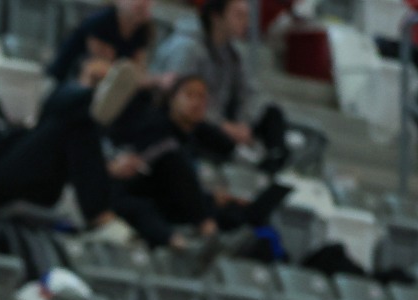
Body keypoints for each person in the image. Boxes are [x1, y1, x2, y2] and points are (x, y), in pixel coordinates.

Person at [0, 33, 140, 236]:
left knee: (76, 127)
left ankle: (90, 100)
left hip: (25, 178)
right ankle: (89, 98)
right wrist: (22, 135)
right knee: (64, 121)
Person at [107, 74, 289, 250]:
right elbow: (153, 169)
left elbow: (229, 151)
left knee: (239, 212)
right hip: (142, 193)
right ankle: (209, 231)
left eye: (202, 97)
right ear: (172, 99)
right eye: (189, 94)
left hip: (177, 199)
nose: (197, 102)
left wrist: (216, 197)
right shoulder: (155, 126)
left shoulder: (200, 134)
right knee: (174, 158)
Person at [153, 0, 289, 172]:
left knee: (272, 114)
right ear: (216, 17)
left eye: (247, 16)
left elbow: (249, 93)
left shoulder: (231, 53)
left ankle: (270, 168)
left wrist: (243, 123)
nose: (246, 22)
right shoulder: (187, 48)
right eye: (239, 15)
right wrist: (223, 126)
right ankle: (244, 162)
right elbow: (179, 100)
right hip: (190, 120)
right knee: (204, 127)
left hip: (219, 118)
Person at [47, 0, 157, 87]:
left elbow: (138, 66)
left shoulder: (143, 31)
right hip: (68, 78)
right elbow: (101, 66)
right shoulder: (102, 21)